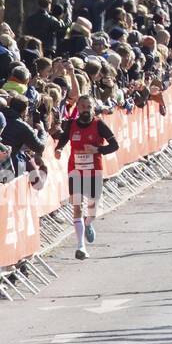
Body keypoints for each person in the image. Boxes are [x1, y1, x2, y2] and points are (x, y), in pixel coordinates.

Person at [52, 93, 118, 260]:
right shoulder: (71, 124)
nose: (86, 110)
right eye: (82, 107)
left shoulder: (99, 124)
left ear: (92, 108)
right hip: (75, 171)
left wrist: (97, 150)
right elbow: (64, 139)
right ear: (78, 108)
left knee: (92, 208)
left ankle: (88, 223)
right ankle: (81, 246)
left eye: (89, 107)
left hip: (94, 170)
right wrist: (59, 149)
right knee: (77, 207)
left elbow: (114, 145)